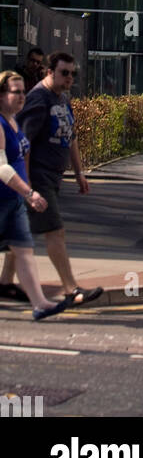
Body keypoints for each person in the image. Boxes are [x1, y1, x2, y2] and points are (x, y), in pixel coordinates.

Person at [16, 51, 102, 306]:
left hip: (54, 176)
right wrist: (28, 185)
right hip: (38, 177)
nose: (69, 78)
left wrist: (79, 173)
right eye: (64, 73)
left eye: (72, 74)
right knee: (56, 231)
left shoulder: (62, 99)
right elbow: (24, 144)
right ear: (49, 71)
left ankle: (4, 283)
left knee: (18, 235)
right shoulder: (38, 100)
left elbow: (71, 137)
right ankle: (71, 290)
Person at [0, 71, 69, 320]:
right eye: (15, 92)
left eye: (22, 91)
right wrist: (29, 191)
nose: (21, 96)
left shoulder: (14, 122)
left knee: (24, 251)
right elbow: (2, 167)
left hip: (13, 200)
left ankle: (39, 303)